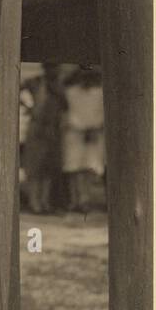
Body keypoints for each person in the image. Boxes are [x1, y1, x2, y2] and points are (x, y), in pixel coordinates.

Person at [23, 63, 67, 214]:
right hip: (37, 126)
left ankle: (44, 202)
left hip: (53, 128)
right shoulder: (35, 82)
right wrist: (28, 107)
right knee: (35, 165)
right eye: (52, 67)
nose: (55, 70)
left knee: (49, 167)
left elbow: (65, 106)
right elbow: (18, 91)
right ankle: (34, 202)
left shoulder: (59, 86)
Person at [63, 64, 106, 213]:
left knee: (89, 168)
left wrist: (95, 127)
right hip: (74, 133)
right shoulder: (71, 93)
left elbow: (101, 114)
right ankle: (74, 200)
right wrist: (79, 127)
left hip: (93, 134)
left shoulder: (99, 93)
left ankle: (85, 200)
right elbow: (69, 114)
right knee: (73, 168)